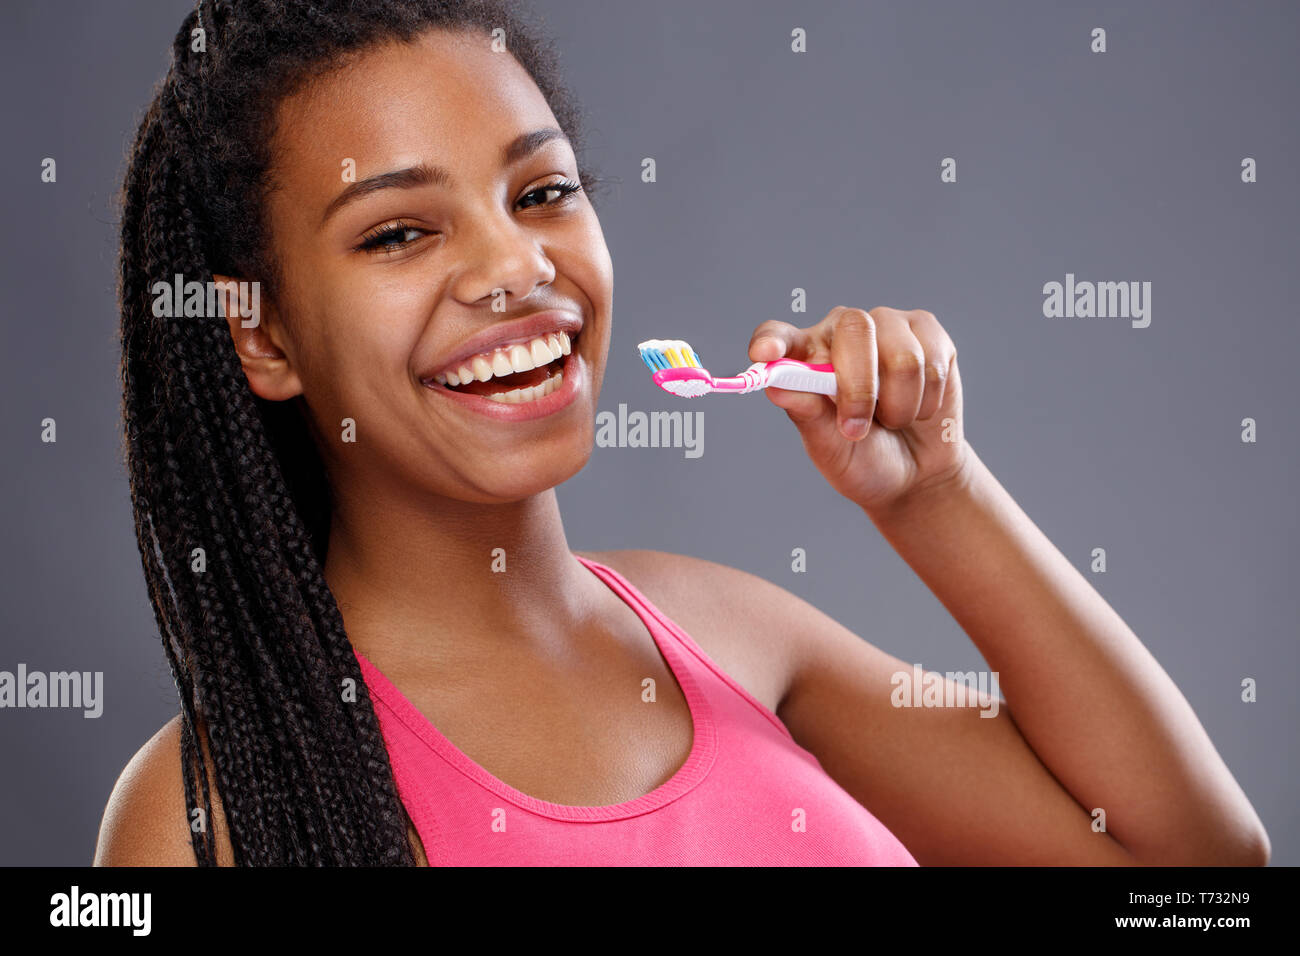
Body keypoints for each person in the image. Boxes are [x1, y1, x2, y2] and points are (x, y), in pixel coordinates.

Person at [94, 0, 1269, 866]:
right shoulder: (205, 809)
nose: (516, 268)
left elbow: (1196, 871)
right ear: (263, 338)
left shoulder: (726, 630)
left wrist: (934, 491)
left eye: (542, 191)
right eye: (399, 233)